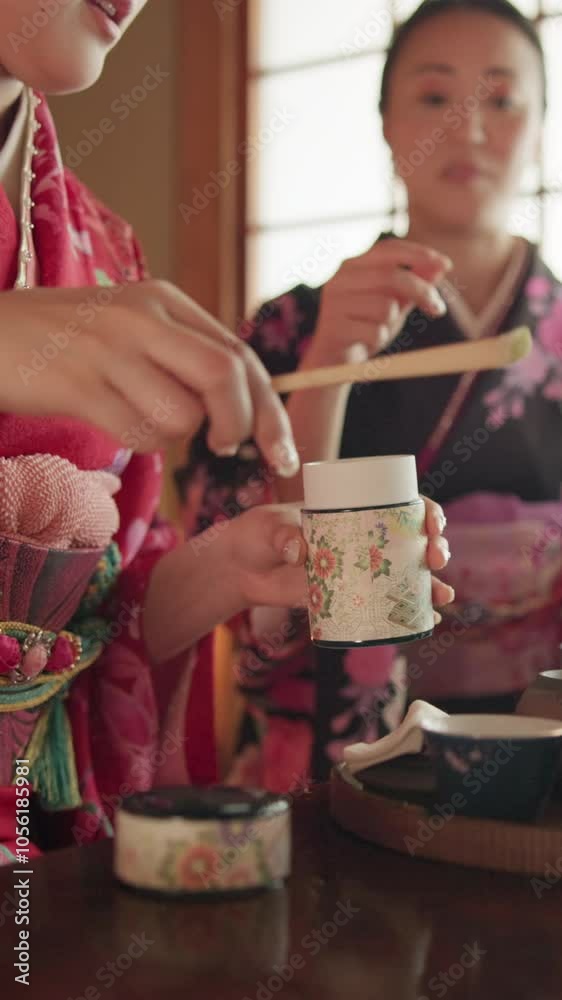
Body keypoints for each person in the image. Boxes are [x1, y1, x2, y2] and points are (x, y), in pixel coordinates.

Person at [0, 0, 455, 860]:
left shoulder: (103, 253)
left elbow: (101, 627)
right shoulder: (276, 320)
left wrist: (220, 571)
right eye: (436, 97)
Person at [179, 0, 562, 791]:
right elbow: (237, 564)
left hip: (537, 738)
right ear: (387, 121)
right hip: (337, 744)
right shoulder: (289, 329)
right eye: (434, 97)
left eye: (502, 98)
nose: (471, 129)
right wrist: (329, 364)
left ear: (543, 121)